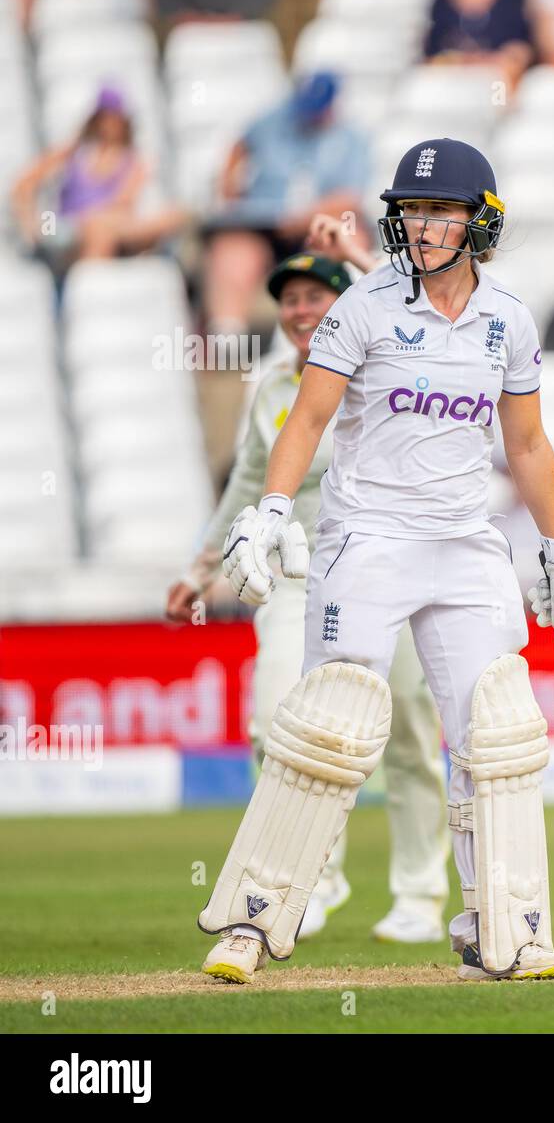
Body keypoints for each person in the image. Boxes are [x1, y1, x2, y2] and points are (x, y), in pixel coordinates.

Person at [198, 138, 554, 984]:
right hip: (368, 537)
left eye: (439, 212)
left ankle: (504, 928)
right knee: (329, 721)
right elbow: (304, 422)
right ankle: (252, 919)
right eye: (411, 211)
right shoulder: (364, 308)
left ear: (478, 224)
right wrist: (270, 510)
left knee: (495, 731)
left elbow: (526, 444)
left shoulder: (509, 320)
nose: (420, 227)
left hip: (465, 544)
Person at [167, 241, 452, 946]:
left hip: (391, 565)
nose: (299, 310)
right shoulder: (270, 388)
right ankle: (311, 880)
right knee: (279, 725)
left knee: (410, 729)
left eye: (314, 297)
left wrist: (360, 252)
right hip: (301, 572)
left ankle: (420, 891)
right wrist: (202, 566)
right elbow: (246, 482)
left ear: (343, 302)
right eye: (289, 299)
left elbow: (423, 303)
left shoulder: (382, 365)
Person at [205, 72, 369, 342]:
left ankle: (333, 336)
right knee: (232, 253)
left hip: (319, 227)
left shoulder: (351, 138)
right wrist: (230, 189)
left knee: (346, 240)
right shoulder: (273, 120)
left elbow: (350, 198)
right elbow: (239, 146)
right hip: (262, 224)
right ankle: (227, 342)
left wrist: (303, 219)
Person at [11, 86, 185, 264]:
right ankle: (91, 283)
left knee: (175, 216)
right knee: (99, 228)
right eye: (106, 118)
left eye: (116, 118)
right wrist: (30, 223)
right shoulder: (73, 151)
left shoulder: (134, 161)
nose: (110, 125)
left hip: (113, 226)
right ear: (96, 119)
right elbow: (24, 185)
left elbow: (124, 205)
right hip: (63, 224)